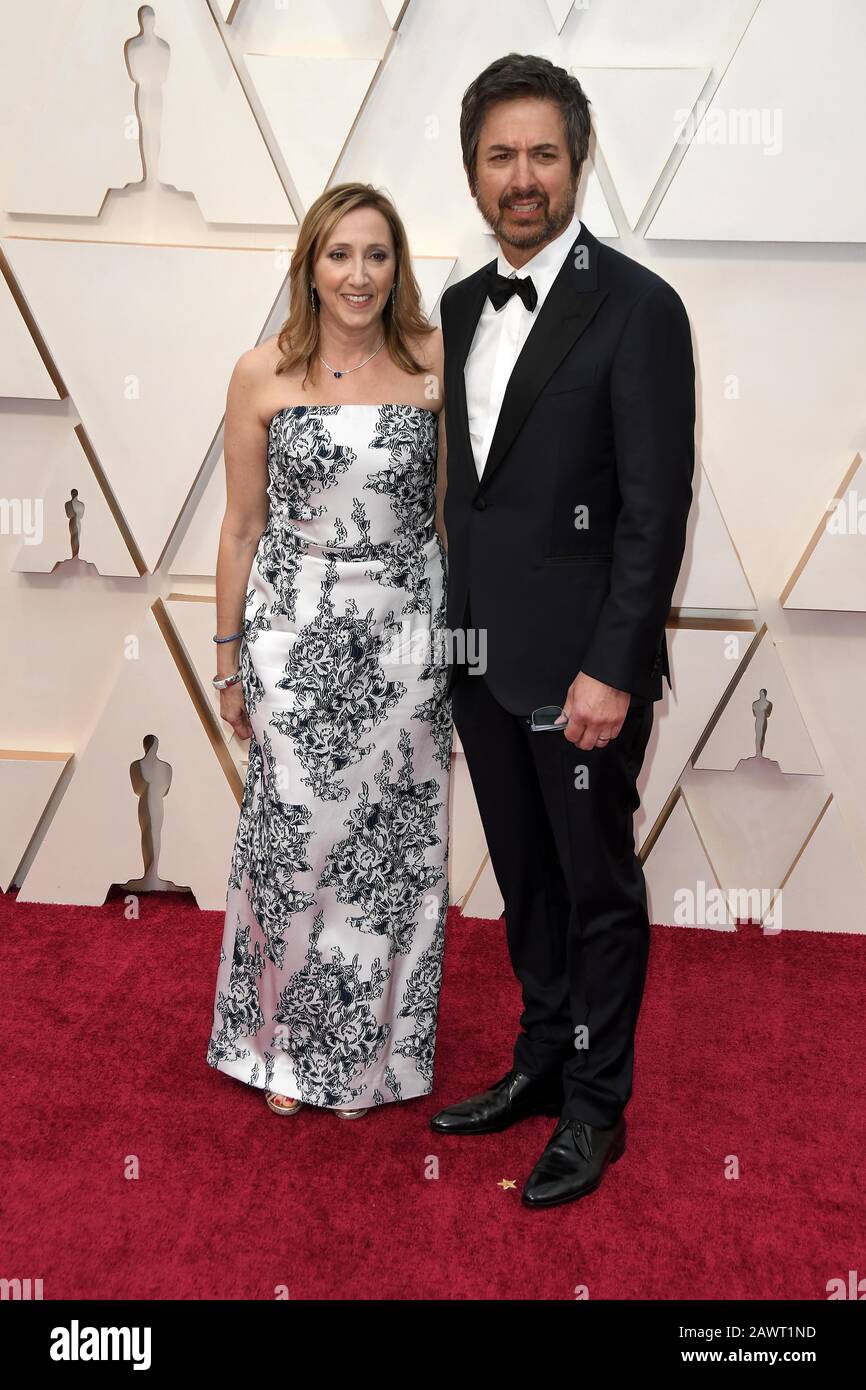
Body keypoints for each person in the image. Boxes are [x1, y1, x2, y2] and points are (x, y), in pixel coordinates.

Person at [430, 54, 695, 1207]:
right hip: (481, 660)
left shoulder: (638, 307)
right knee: (526, 883)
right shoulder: (452, 306)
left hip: (580, 671)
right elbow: (467, 495)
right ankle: (541, 1058)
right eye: (500, 156)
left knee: (595, 892)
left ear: (577, 163)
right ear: (473, 173)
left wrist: (611, 666)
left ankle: (595, 1109)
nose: (522, 177)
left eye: (543, 153)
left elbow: (653, 507)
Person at [206, 183, 452, 1120]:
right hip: (293, 642)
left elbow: (444, 517)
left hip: (405, 644)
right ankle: (280, 1052)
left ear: (398, 268)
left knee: (387, 856)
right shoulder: (260, 372)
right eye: (340, 254)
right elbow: (238, 530)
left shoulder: (433, 361)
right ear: (310, 265)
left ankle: (366, 1065)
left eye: (377, 255)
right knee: (296, 845)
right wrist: (228, 662)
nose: (359, 275)